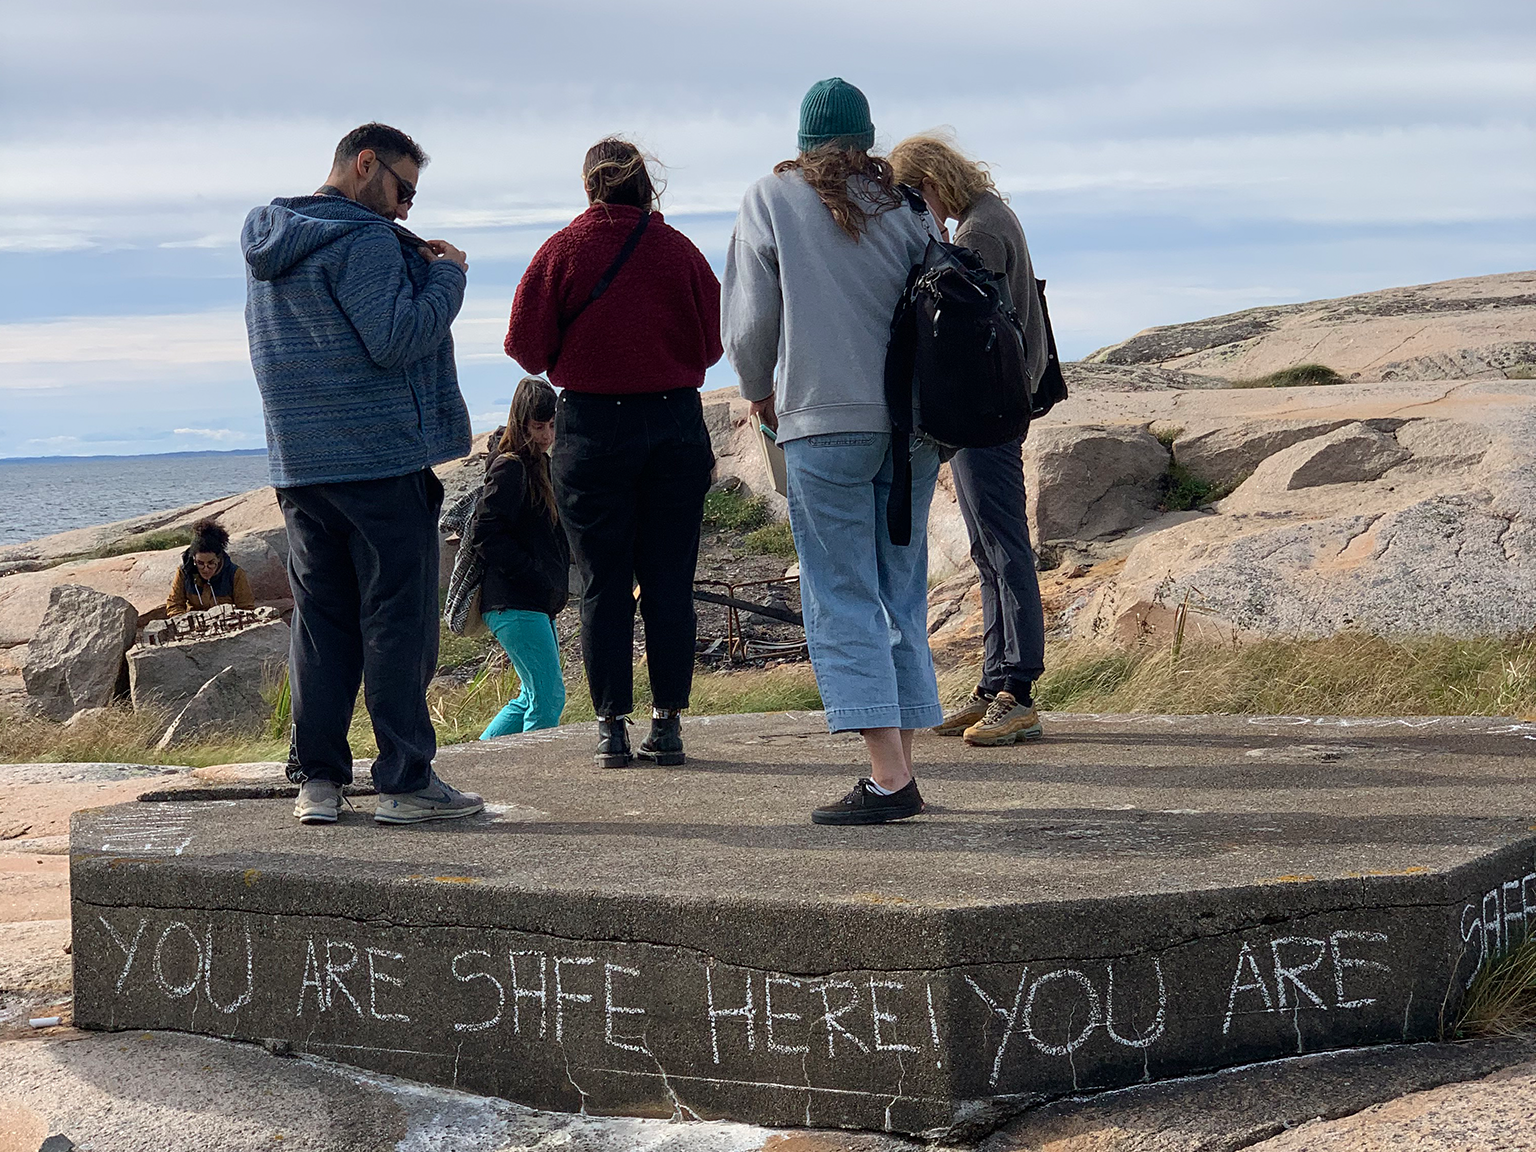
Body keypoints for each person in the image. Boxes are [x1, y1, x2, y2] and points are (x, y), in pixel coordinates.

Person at [242, 121, 484, 827]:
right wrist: (449, 276)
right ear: (365, 163)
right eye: (403, 188)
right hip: (378, 464)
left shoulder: (272, 242)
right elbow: (399, 339)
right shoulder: (367, 240)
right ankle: (406, 782)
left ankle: (318, 782)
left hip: (301, 468)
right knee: (398, 624)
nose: (406, 207)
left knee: (321, 624)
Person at [723, 78, 944, 825]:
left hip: (823, 423)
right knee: (900, 591)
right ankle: (904, 765)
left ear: (803, 143)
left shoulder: (772, 198)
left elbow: (751, 320)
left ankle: (888, 778)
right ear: (867, 138)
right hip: (911, 430)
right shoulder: (908, 207)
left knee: (840, 592)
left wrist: (758, 390)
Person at [505, 137, 722, 768]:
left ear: (589, 187)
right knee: (669, 580)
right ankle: (669, 722)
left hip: (594, 430)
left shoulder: (563, 250)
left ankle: (611, 730)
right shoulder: (679, 249)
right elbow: (712, 344)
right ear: (645, 187)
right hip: (675, 422)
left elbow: (526, 348)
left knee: (602, 582)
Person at [889, 133, 1050, 747]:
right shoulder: (990, 214)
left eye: (912, 191)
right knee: (990, 549)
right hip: (999, 407)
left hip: (987, 412)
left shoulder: (977, 232)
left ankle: (1016, 691)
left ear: (930, 181)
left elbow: (960, 326)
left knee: (1004, 547)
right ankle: (994, 684)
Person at [471, 376, 570, 739]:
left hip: (529, 601)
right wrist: (534, 575)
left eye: (551, 425)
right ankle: (534, 775)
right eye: (538, 426)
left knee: (530, 696)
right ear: (521, 423)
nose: (546, 435)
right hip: (515, 600)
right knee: (548, 698)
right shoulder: (511, 466)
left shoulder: (535, 465)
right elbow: (486, 533)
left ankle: (477, 761)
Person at [166, 518, 256, 617]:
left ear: (219, 558)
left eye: (211, 563)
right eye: (200, 563)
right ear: (194, 559)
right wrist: (185, 620)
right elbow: (174, 605)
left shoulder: (235, 574)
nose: (205, 569)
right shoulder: (184, 572)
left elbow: (246, 608)